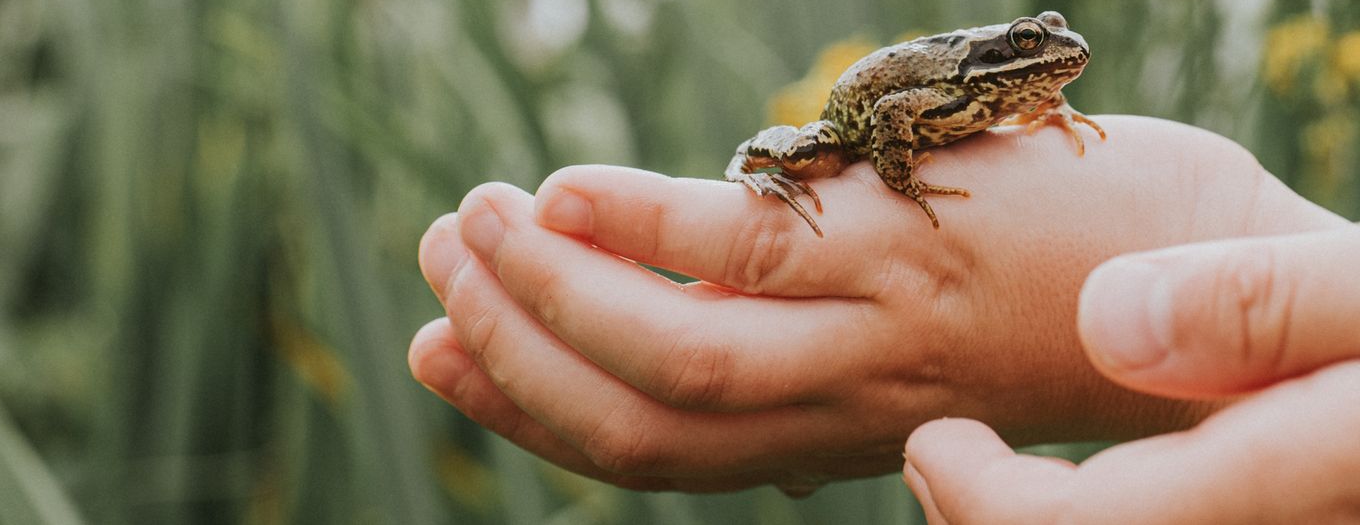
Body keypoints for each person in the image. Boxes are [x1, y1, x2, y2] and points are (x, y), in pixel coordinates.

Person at [408, 115, 1360, 519]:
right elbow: (896, 128)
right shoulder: (958, 84)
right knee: (804, 147)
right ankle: (766, 170)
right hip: (858, 123)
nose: (1045, 64)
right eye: (1029, 45)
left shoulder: (1015, 89)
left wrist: (1214, 224)